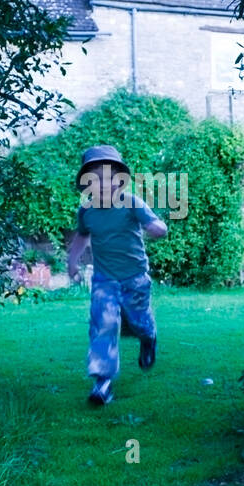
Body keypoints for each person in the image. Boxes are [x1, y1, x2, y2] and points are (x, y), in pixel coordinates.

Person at [66, 145, 167, 406]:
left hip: (135, 278)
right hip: (104, 280)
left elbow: (154, 224)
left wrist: (158, 228)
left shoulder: (132, 202)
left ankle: (149, 337)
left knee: (139, 322)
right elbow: (82, 237)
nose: (102, 183)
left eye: (108, 177)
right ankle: (102, 381)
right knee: (104, 324)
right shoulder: (86, 211)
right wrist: (72, 262)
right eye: (95, 178)